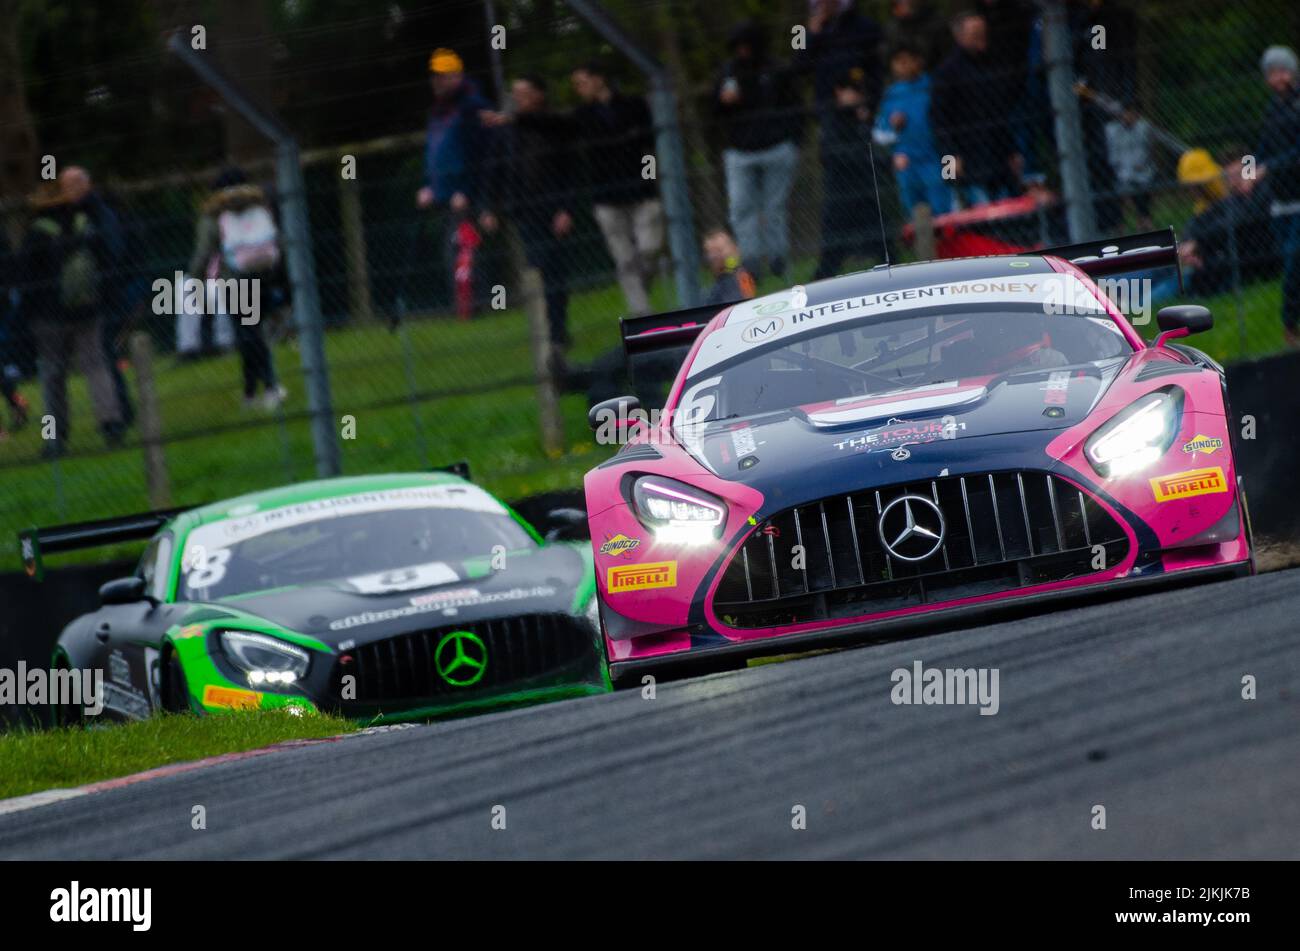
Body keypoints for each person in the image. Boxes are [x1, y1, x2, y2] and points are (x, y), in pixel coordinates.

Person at [15, 180, 124, 455]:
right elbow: (105, 259)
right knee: (96, 366)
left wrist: (26, 314)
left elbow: (26, 277)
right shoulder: (84, 223)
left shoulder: (36, 233)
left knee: (52, 376)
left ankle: (55, 437)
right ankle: (111, 422)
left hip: (48, 316)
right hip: (87, 309)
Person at [481, 75, 578, 349]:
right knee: (537, 266)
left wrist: (566, 208)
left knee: (555, 270)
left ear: (539, 95)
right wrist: (488, 207)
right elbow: (493, 169)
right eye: (515, 94)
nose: (518, 99)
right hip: (524, 211)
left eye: (524, 93)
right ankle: (546, 331)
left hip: (553, 208)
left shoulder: (555, 126)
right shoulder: (506, 131)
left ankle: (557, 331)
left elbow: (571, 170)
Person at [187, 167, 286, 409]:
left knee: (248, 335)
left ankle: (271, 386)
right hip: (264, 274)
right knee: (251, 333)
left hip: (234, 280)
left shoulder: (214, 213)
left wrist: (194, 278)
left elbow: (204, 251)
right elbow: (278, 239)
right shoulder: (260, 205)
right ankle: (250, 392)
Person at [571, 62, 664, 317]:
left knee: (649, 247)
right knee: (623, 257)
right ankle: (641, 311)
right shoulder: (582, 115)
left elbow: (649, 142)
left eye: (582, 82)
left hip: (641, 189)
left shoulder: (633, 105)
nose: (579, 89)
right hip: (606, 196)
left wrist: (648, 177)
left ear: (598, 79)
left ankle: (641, 289)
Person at [714, 20, 803, 278]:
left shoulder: (777, 69)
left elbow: (795, 107)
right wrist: (722, 102)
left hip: (777, 147)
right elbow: (714, 112)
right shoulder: (727, 73)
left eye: (748, 45)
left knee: (774, 207)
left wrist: (793, 142)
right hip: (740, 151)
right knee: (741, 208)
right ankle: (751, 263)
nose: (743, 51)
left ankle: (778, 260)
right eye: (738, 46)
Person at [415, 48, 493, 318]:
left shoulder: (472, 106)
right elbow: (433, 151)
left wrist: (466, 190)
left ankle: (479, 306)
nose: (436, 81)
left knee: (468, 251)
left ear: (456, 76)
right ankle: (464, 307)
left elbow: (480, 153)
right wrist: (428, 185)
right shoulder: (437, 111)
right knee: (452, 251)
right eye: (434, 76)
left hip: (467, 196)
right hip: (443, 195)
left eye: (442, 76)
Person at [930, 12, 1024, 206]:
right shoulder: (946, 73)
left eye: (983, 32)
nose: (982, 37)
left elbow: (1001, 113)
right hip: (965, 159)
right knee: (967, 206)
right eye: (975, 33)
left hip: (997, 156)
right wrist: (950, 160)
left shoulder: (994, 64)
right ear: (959, 36)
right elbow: (938, 121)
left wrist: (1012, 150)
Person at [815, 67, 891, 279]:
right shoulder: (831, 120)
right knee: (831, 256)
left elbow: (872, 146)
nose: (858, 96)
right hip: (840, 197)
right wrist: (879, 161)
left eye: (860, 91)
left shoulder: (862, 119)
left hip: (865, 193)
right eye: (853, 91)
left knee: (885, 244)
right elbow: (836, 155)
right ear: (839, 92)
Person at [873, 43, 953, 218]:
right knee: (913, 211)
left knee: (944, 207)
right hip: (907, 163)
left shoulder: (933, 86)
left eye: (906, 61)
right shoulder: (891, 94)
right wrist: (894, 142)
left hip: (938, 158)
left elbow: (949, 122)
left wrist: (950, 159)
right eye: (897, 62)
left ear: (918, 61)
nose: (902, 66)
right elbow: (879, 134)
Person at [1255, 44, 1300, 349]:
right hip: (1280, 203)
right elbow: (1262, 151)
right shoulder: (1272, 110)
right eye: (1271, 73)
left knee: (1294, 259)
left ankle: (1289, 324)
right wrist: (1248, 172)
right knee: (1290, 263)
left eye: (1282, 71)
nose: (1277, 78)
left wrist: (1266, 169)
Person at [1105, 103, 1155, 230]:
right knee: (1119, 194)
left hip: (1142, 173)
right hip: (1121, 173)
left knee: (1140, 192)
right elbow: (1113, 157)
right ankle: (1120, 226)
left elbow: (1148, 152)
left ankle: (1144, 222)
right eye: (1126, 113)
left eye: (1132, 113)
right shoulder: (1113, 129)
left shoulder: (1143, 127)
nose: (1128, 116)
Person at [702, 228, 757, 305]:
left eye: (720, 250)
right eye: (711, 252)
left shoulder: (739, 278)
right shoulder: (715, 287)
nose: (714, 256)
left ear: (736, 250)